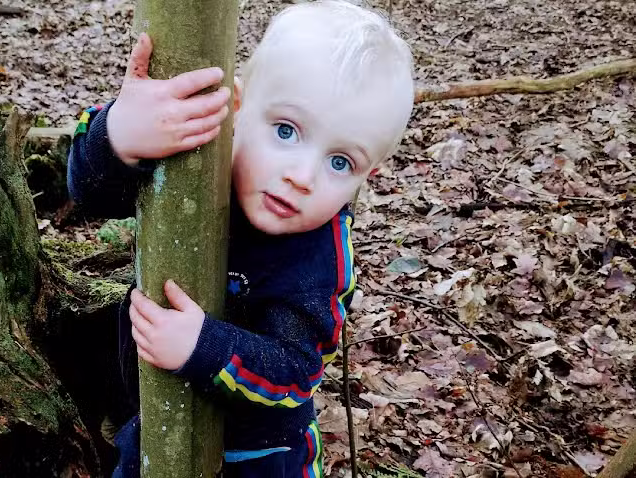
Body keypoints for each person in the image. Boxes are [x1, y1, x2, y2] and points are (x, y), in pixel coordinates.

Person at [67, 1, 414, 476]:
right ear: (237, 106)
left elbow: (296, 372)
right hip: (153, 426)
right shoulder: (202, 155)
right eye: (287, 131)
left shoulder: (319, 257)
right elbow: (90, 194)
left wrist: (204, 346)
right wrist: (120, 134)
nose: (302, 176)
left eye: (340, 162)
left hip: (259, 457)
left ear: (364, 176)